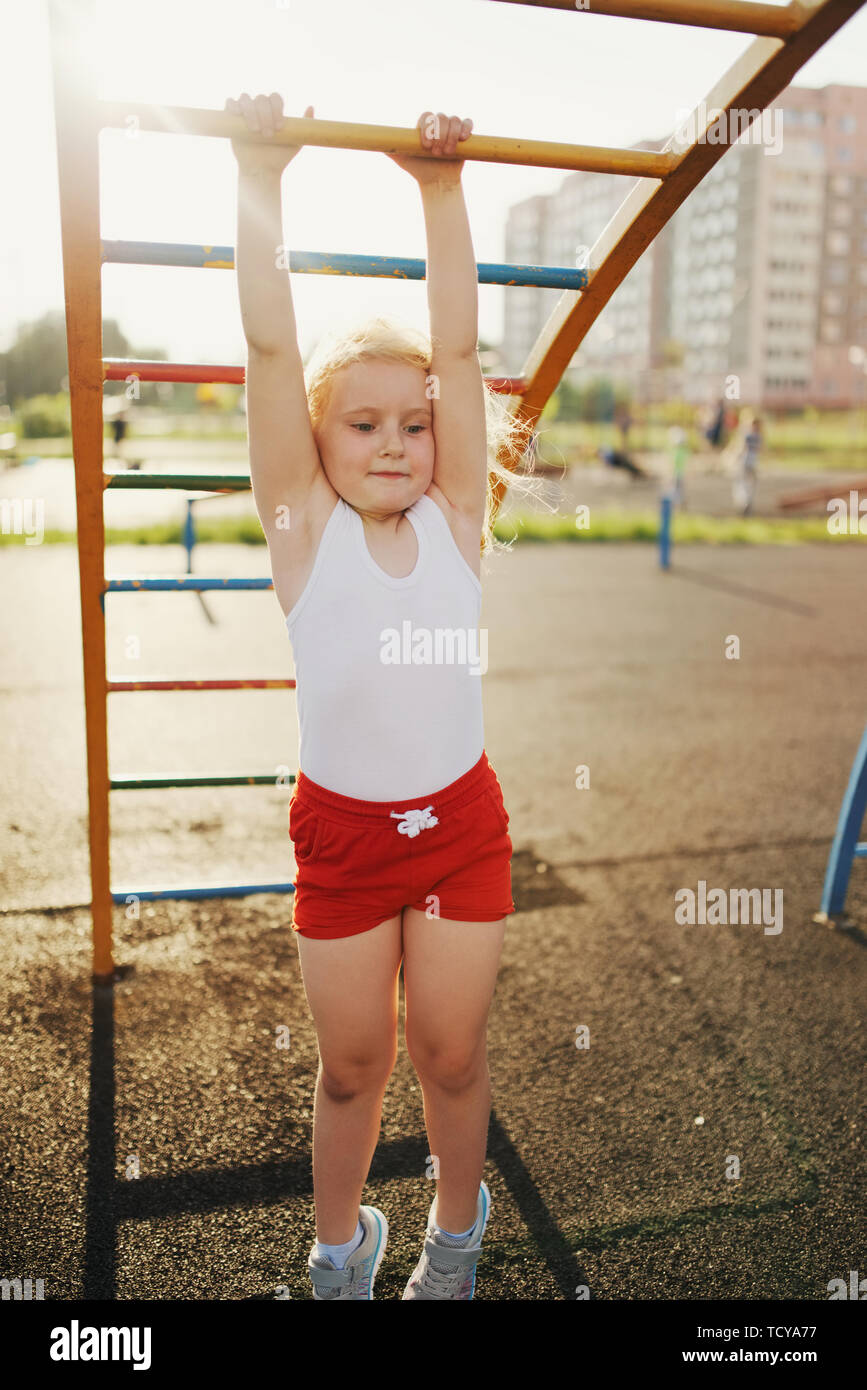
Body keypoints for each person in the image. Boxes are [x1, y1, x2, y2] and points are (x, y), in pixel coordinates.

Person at [228, 92, 541, 1301]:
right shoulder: (303, 533)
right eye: (363, 424)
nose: (398, 442)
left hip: (459, 824)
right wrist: (262, 174)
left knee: (450, 1054)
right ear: (316, 440)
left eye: (414, 424)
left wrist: (442, 190)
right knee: (354, 1065)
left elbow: (458, 353)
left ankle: (453, 1242)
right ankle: (337, 1248)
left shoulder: (459, 523)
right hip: (346, 838)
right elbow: (267, 351)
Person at [732, 412, 763, 515]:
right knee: (751, 484)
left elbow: (741, 448)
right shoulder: (759, 436)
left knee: (742, 482)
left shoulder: (747, 435)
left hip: (745, 461)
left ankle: (744, 502)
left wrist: (735, 458)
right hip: (754, 462)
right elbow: (760, 449)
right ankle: (748, 502)